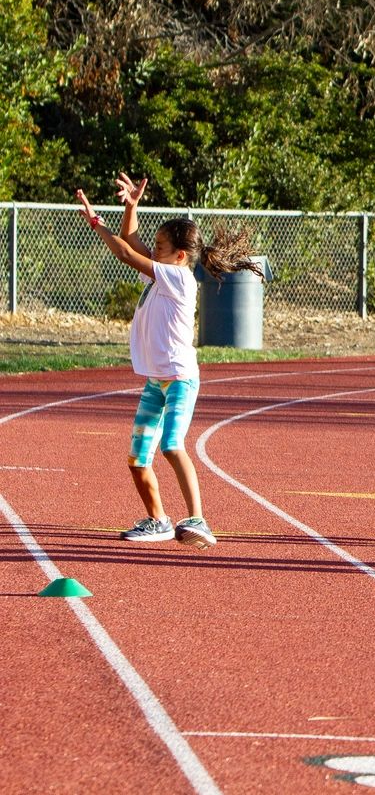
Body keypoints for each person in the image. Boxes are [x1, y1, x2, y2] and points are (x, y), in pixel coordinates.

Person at [75, 173, 262, 550]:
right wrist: (131, 207)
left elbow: (126, 252)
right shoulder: (162, 273)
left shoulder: (178, 278)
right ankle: (158, 520)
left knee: (172, 445)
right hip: (154, 382)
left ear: (178, 255)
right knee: (137, 458)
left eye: (158, 246)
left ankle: (198, 519)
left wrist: (97, 223)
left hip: (179, 379)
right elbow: (131, 241)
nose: (151, 250)